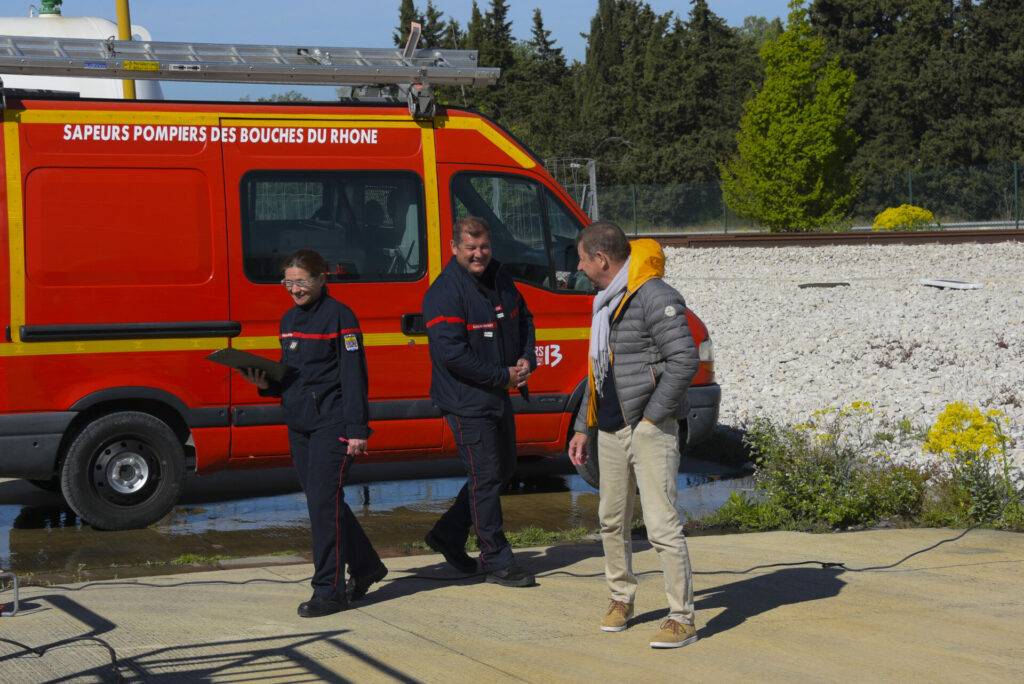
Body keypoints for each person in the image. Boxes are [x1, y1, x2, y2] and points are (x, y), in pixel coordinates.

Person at [567, 221, 700, 649]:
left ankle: (682, 617)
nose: (580, 267)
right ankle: (620, 597)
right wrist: (582, 427)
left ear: (601, 260)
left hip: (649, 429)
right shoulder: (606, 301)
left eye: (583, 259)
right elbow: (598, 370)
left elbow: (685, 360)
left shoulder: (655, 296)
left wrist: (651, 420)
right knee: (611, 520)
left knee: (662, 527)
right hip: (607, 429)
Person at [241, 248, 387, 617]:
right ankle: (367, 564)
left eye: (302, 282)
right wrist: (264, 383)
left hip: (333, 424)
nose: (294, 289)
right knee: (324, 503)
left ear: (323, 278)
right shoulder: (288, 320)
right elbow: (292, 378)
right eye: (288, 282)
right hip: (300, 424)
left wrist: (357, 429)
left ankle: (329, 590)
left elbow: (354, 377)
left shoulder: (341, 317)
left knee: (323, 505)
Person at [421, 216, 537, 588]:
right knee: (486, 477)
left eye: (484, 247)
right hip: (466, 401)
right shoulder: (445, 292)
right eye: (470, 248)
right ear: (454, 248)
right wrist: (502, 376)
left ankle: (447, 535)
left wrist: (525, 357)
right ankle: (497, 559)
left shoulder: (500, 278)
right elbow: (451, 355)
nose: (478, 254)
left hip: (496, 393)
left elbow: (526, 320)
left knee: (502, 470)